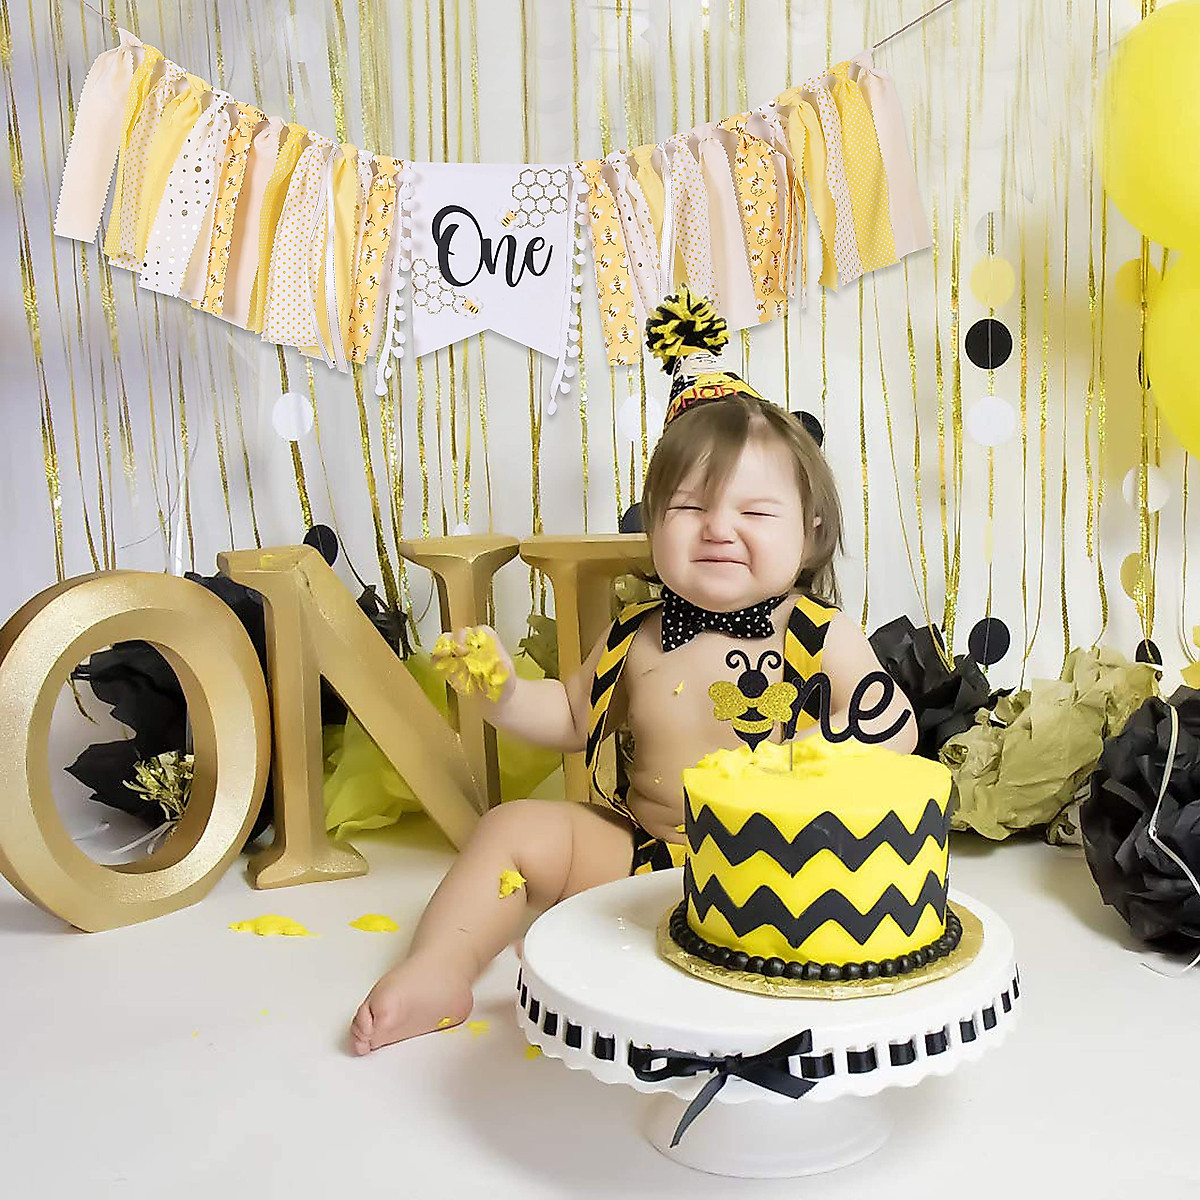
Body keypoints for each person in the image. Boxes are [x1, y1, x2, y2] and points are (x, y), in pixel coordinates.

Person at [350, 288, 916, 1055]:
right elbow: (573, 718)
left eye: (754, 512)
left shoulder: (822, 636)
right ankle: (441, 965)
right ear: (653, 526)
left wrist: (828, 748)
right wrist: (505, 692)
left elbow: (897, 729)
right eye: (688, 508)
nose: (719, 529)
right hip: (645, 863)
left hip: (779, 881)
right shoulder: (637, 635)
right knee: (511, 828)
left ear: (811, 532)